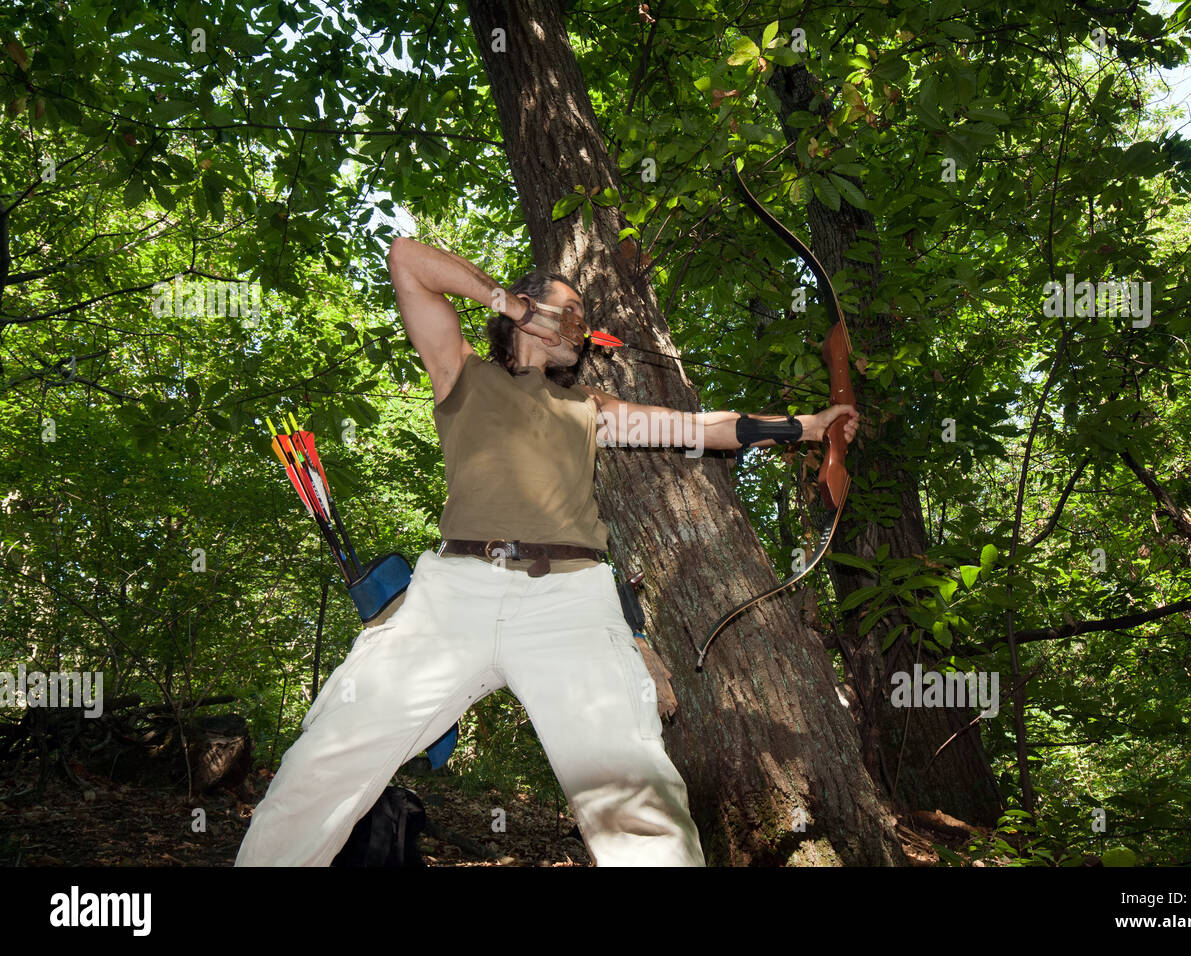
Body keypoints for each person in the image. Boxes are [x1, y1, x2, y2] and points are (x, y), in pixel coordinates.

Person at [234, 237, 859, 867]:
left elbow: (701, 428)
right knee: (325, 763)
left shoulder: (589, 407)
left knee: (636, 799)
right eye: (571, 313)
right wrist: (508, 302)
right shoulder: (461, 372)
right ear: (526, 309)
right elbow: (405, 259)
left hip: (570, 600)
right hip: (454, 594)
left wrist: (806, 427)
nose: (582, 330)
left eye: (586, 322)